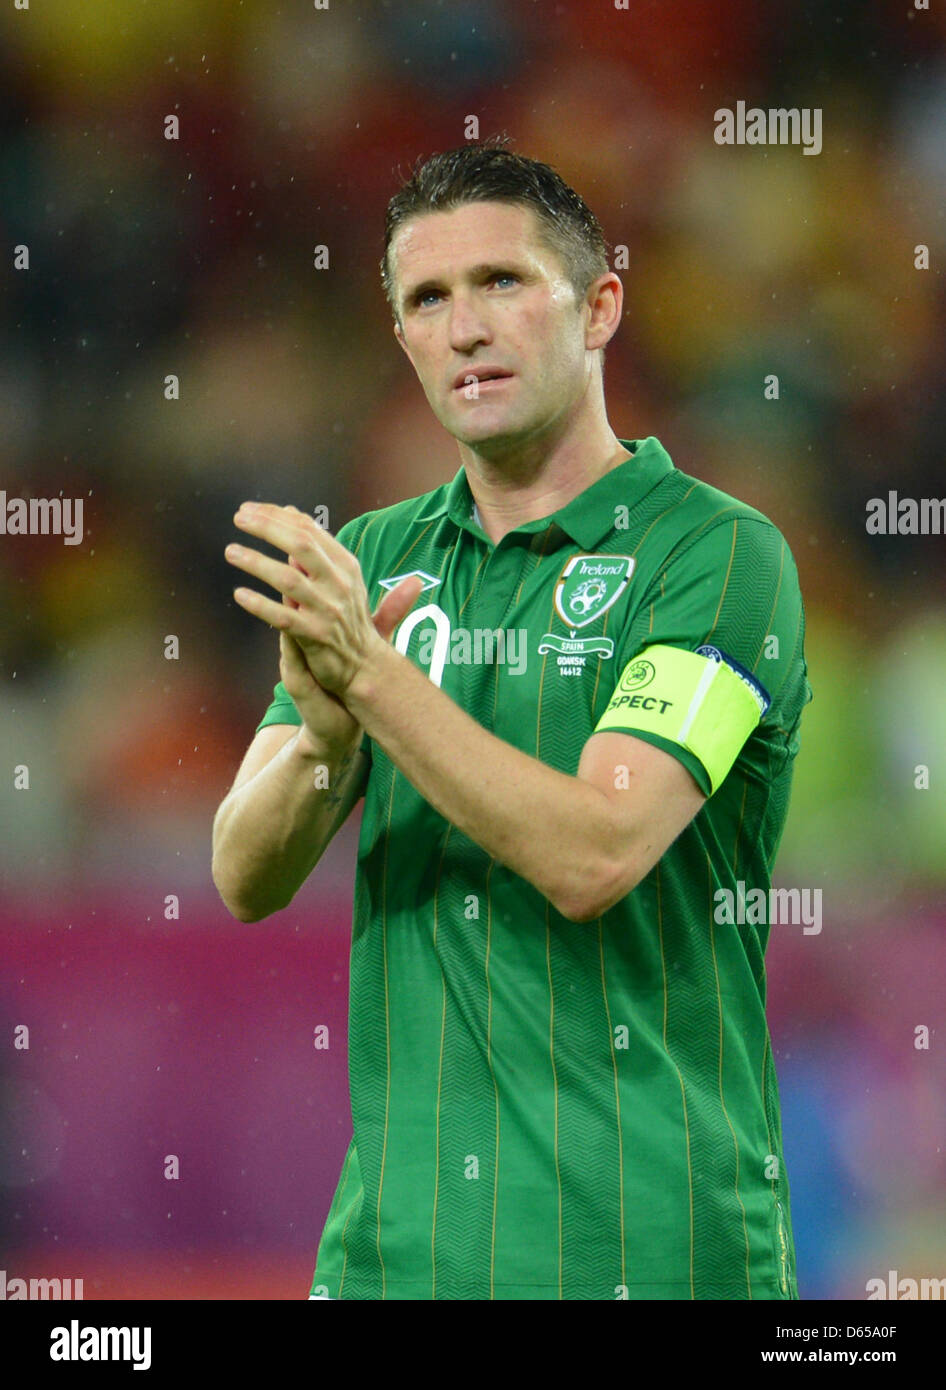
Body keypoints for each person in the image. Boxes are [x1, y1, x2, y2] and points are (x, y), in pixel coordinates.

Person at [212, 140, 813, 1300]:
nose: (465, 326)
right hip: (395, 1257)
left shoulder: (717, 553)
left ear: (598, 309)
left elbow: (595, 850)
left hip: (646, 1248)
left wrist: (374, 683)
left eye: (502, 283)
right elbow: (243, 874)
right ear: (403, 341)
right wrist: (330, 740)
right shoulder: (374, 559)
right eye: (428, 299)